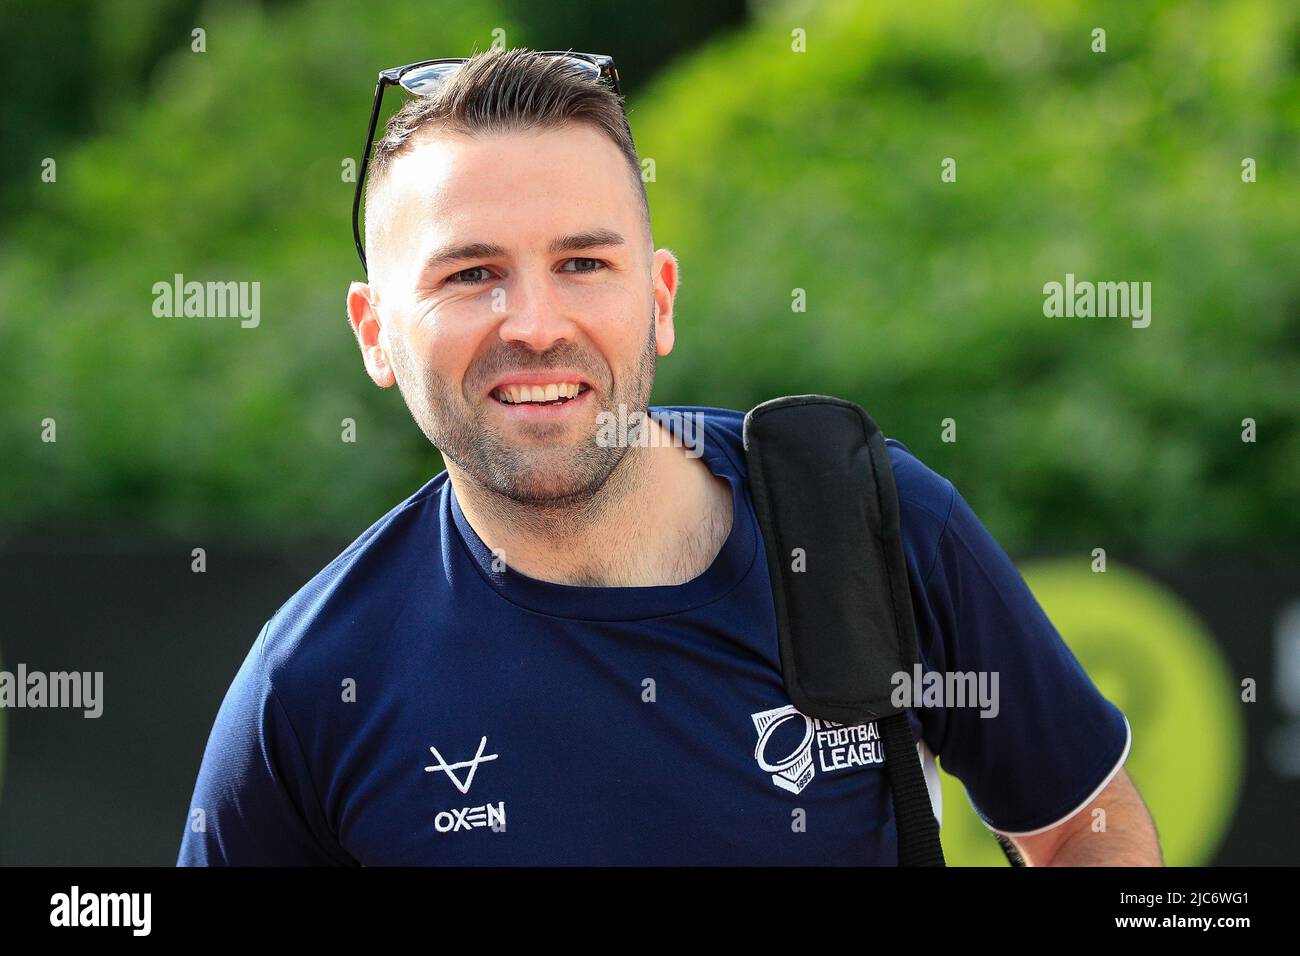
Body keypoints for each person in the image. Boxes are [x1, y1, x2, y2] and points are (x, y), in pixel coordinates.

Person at [177, 47, 1160, 866]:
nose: (533, 323)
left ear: (658, 297)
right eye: (470, 273)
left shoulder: (863, 520)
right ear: (375, 333)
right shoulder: (309, 684)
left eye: (582, 263)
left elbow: (1084, 826)